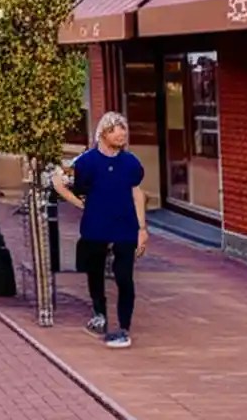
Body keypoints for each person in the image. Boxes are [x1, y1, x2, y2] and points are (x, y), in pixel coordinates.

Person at [53, 111, 148, 350]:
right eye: (117, 129)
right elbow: (65, 185)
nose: (122, 133)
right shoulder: (87, 162)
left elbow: (137, 193)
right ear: (104, 133)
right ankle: (99, 314)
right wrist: (83, 205)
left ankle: (124, 326)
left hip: (125, 226)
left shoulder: (131, 163)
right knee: (94, 272)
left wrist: (142, 228)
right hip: (96, 226)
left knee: (124, 276)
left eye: (124, 128)